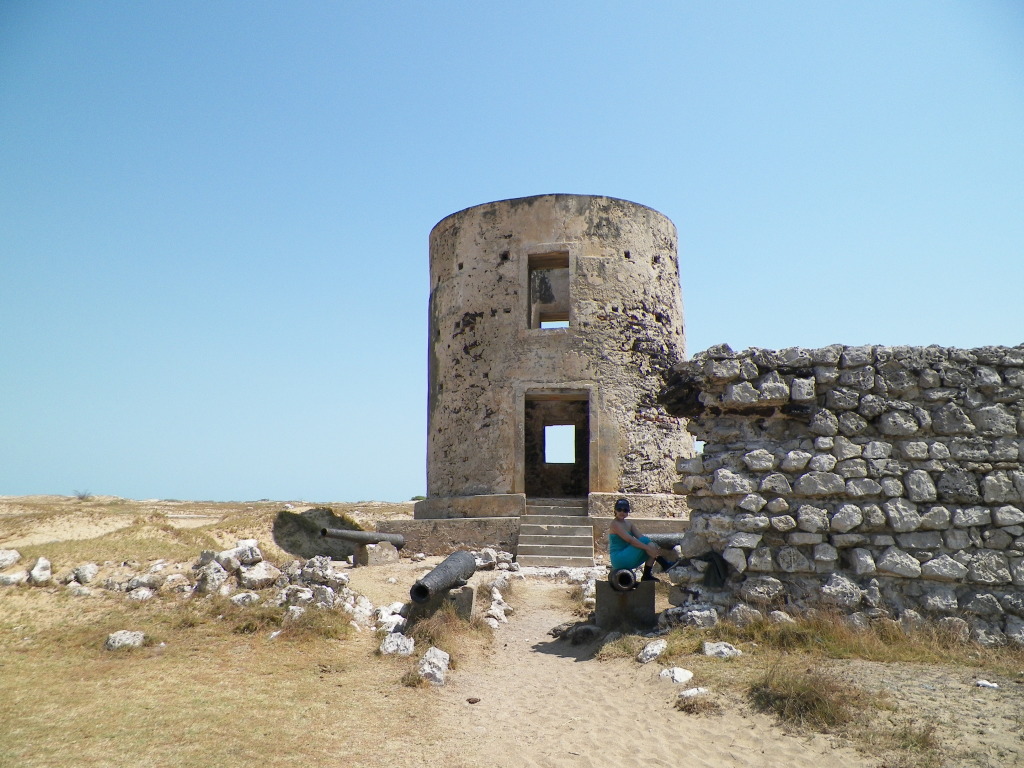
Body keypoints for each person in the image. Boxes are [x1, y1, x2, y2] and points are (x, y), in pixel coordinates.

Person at [608, 497, 677, 581]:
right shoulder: (614, 524)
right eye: (619, 509)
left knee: (652, 544)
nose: (622, 512)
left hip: (628, 556)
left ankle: (646, 575)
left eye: (625, 510)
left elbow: (641, 537)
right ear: (615, 510)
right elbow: (631, 540)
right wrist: (648, 548)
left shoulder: (629, 524)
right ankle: (664, 563)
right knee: (647, 544)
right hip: (619, 558)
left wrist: (651, 547)